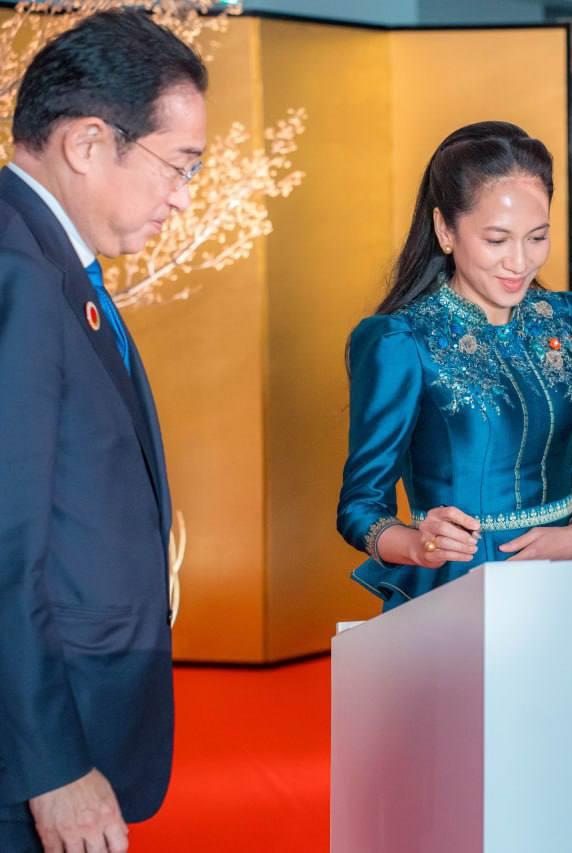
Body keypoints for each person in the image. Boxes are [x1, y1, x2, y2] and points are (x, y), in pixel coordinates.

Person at [0, 11, 207, 852]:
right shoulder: (18, 272)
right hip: (36, 750)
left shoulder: (51, 256)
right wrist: (49, 764)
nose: (184, 196)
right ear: (88, 143)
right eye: (178, 165)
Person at [337, 122, 572, 610]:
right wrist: (418, 543)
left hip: (571, 582)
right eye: (496, 240)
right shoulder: (400, 342)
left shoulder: (570, 320)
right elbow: (361, 507)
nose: (519, 262)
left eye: (537, 237)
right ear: (445, 229)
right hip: (457, 586)